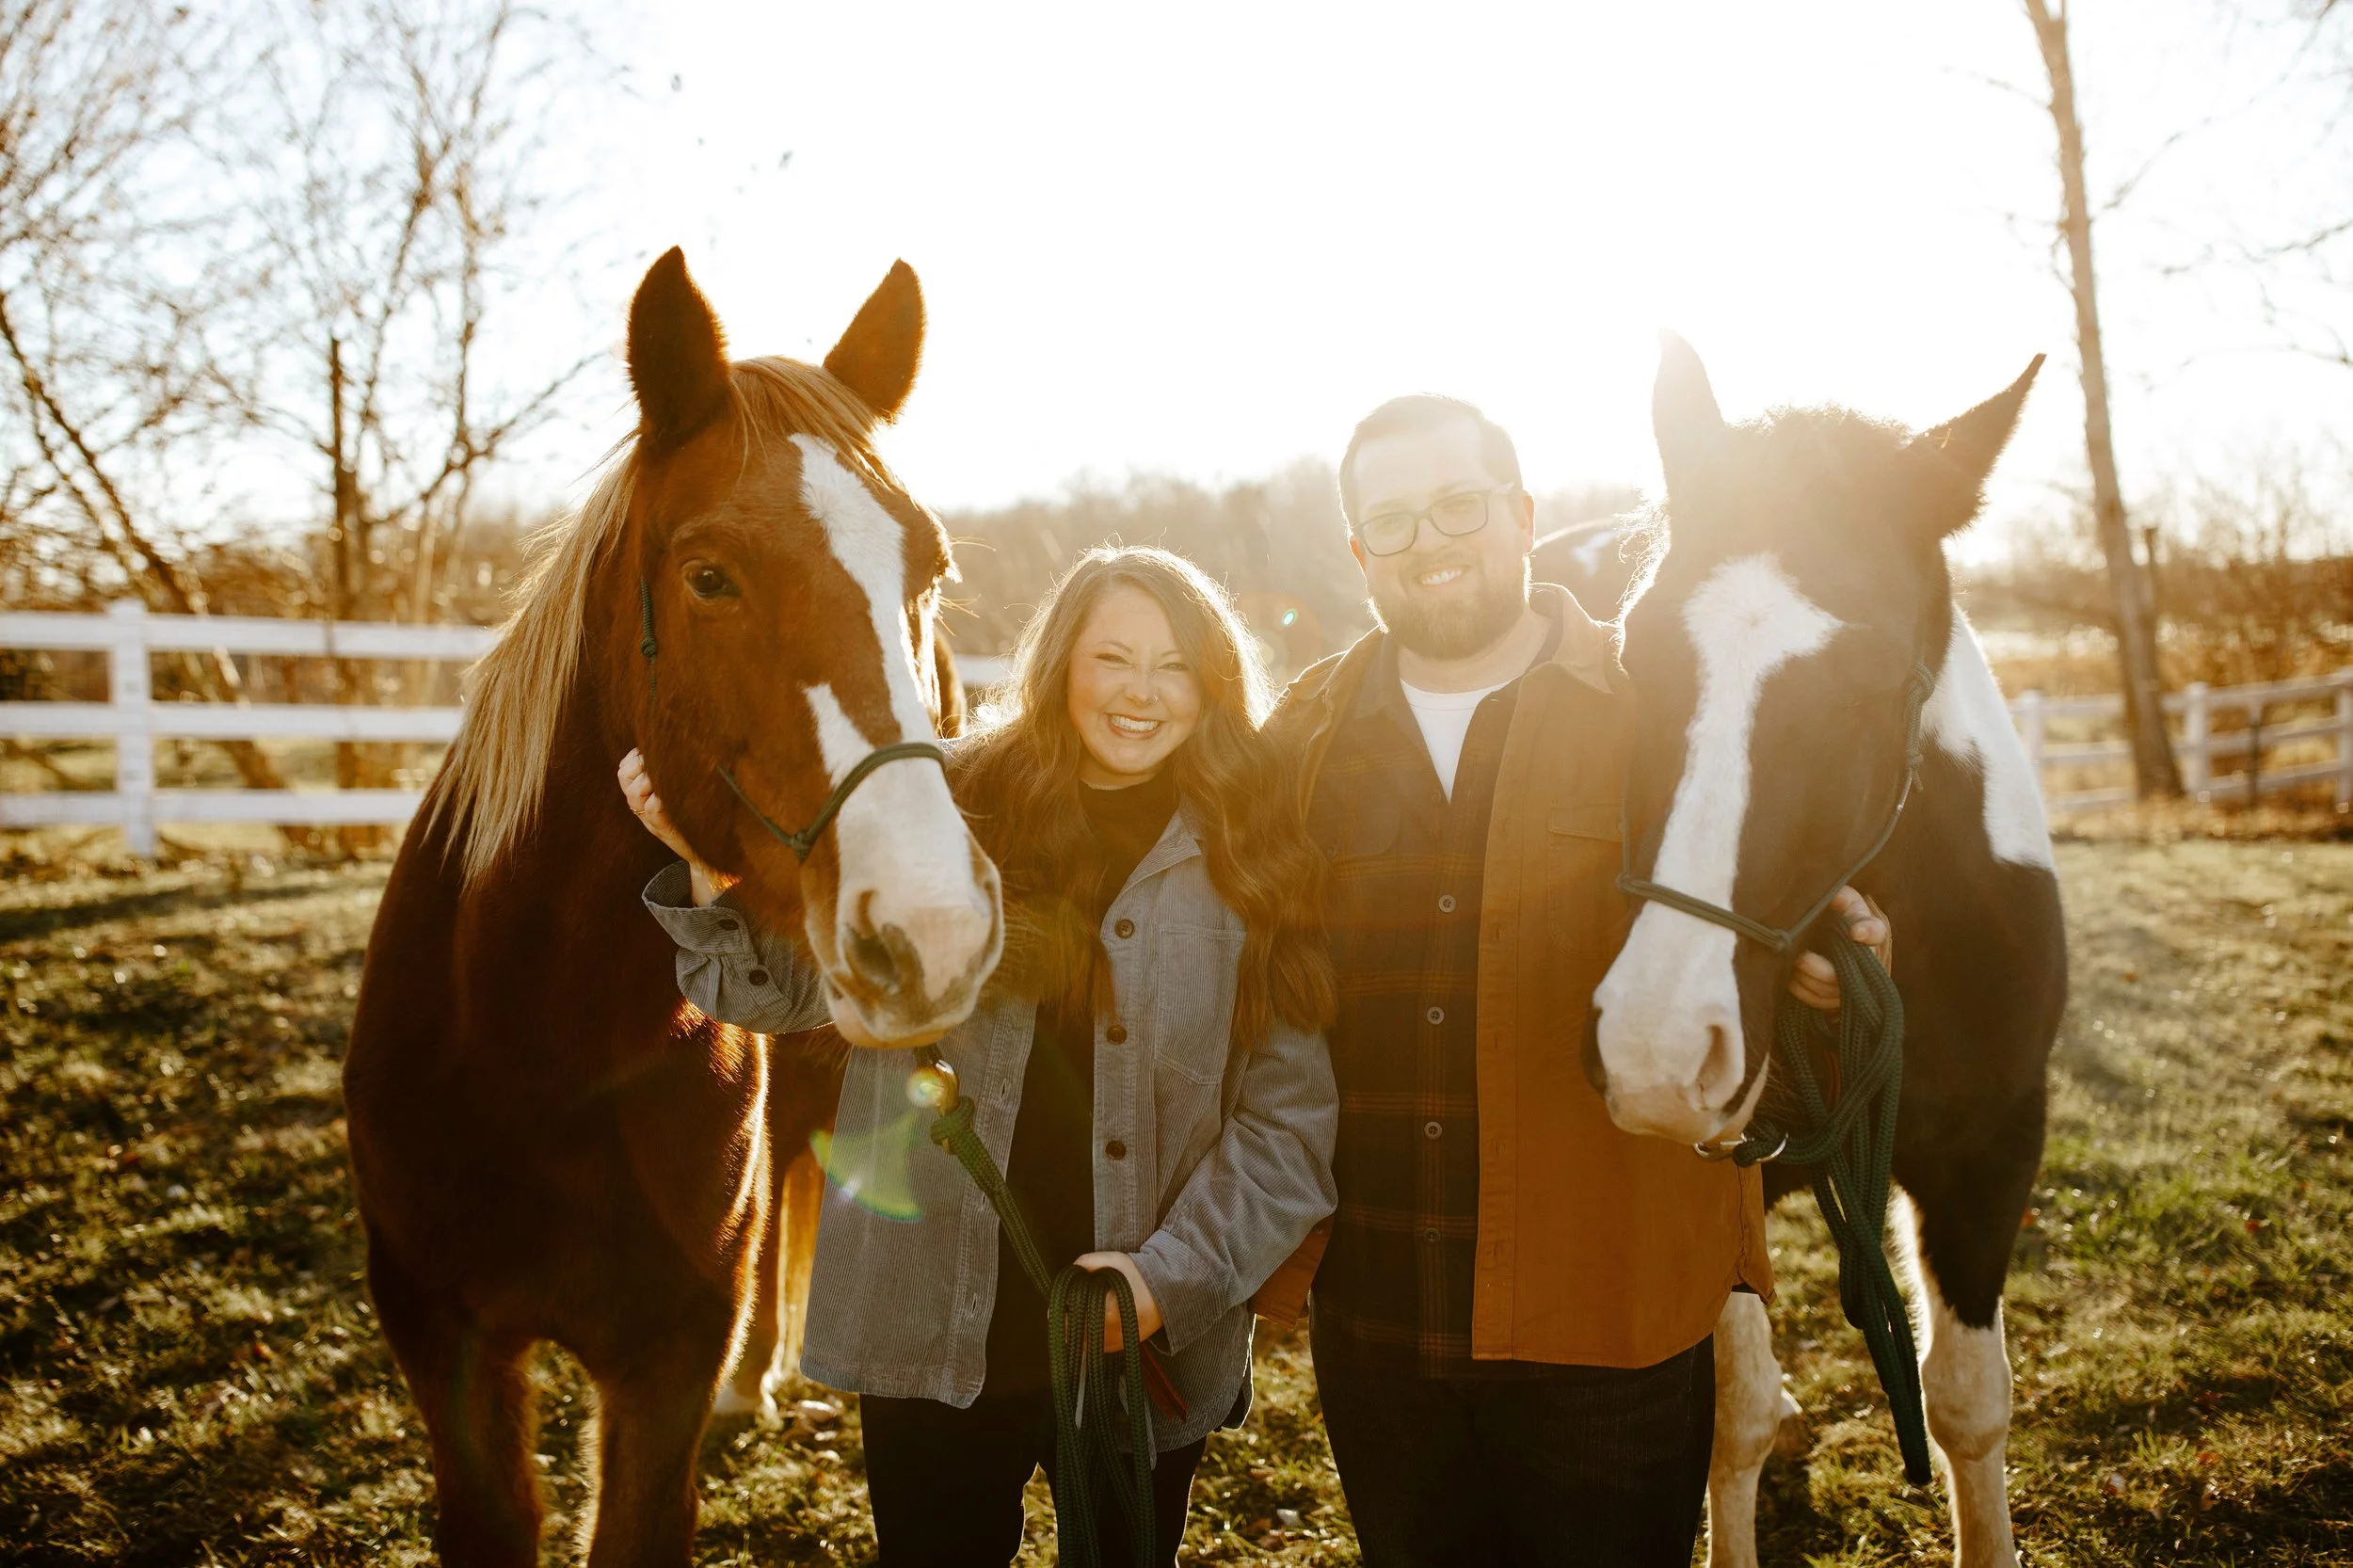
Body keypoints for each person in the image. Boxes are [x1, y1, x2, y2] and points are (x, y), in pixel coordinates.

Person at [1245, 394, 1893, 1567]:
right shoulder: (1304, 739)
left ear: (1523, 515)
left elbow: (1771, 985)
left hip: (1615, 1319)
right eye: (1389, 521)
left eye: (1459, 504)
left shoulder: (1664, 711)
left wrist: (1830, 979)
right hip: (1382, 1329)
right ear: (1356, 553)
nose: (1428, 541)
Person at [618, 545, 1338, 1568]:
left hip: (1141, 1340)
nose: (1141, 692)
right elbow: (769, 991)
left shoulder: (1257, 848)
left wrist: (1163, 1284)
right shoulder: (940, 803)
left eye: (1174, 666)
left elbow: (1288, 1133)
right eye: (1112, 657)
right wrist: (702, 865)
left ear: (1212, 685)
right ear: (1060, 665)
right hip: (927, 1324)